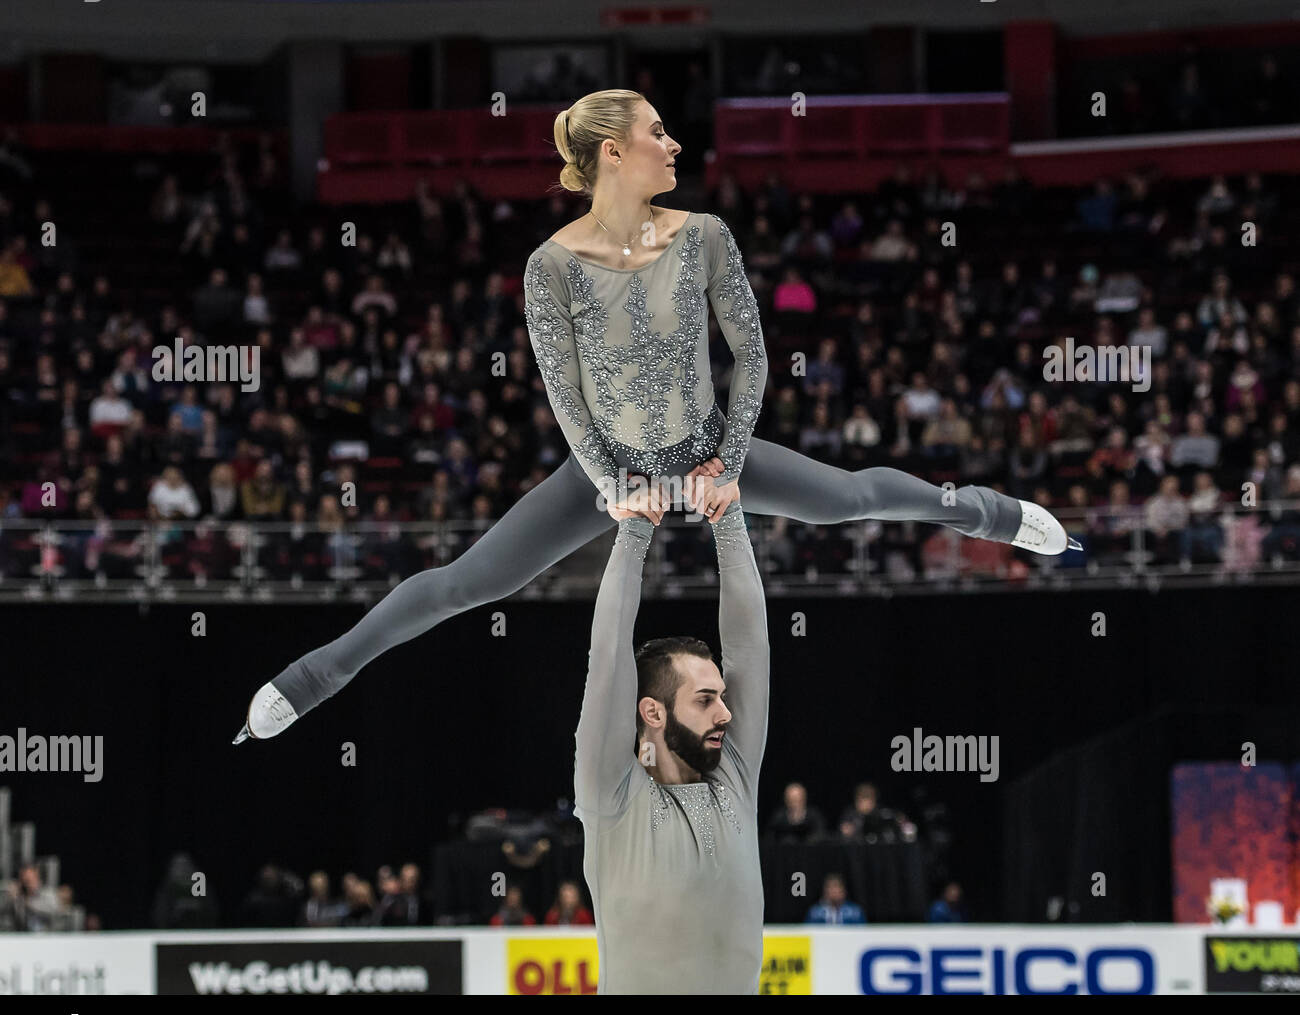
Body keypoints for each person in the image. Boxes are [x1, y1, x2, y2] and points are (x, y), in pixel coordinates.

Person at [235, 88, 1072, 743]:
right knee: (469, 583)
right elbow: (564, 392)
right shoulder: (550, 265)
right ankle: (306, 684)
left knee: (852, 497)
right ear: (614, 151)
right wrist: (610, 482)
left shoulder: (705, 233)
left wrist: (730, 462)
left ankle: (1000, 514)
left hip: (709, 446)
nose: (674, 145)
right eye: (660, 133)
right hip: (602, 470)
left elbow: (752, 355)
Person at [574, 491, 768, 993]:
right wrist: (635, 528)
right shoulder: (612, 796)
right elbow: (608, 657)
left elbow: (749, 649)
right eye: (705, 700)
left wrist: (729, 517)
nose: (727, 713)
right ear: (652, 712)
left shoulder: (734, 780)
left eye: (722, 697)